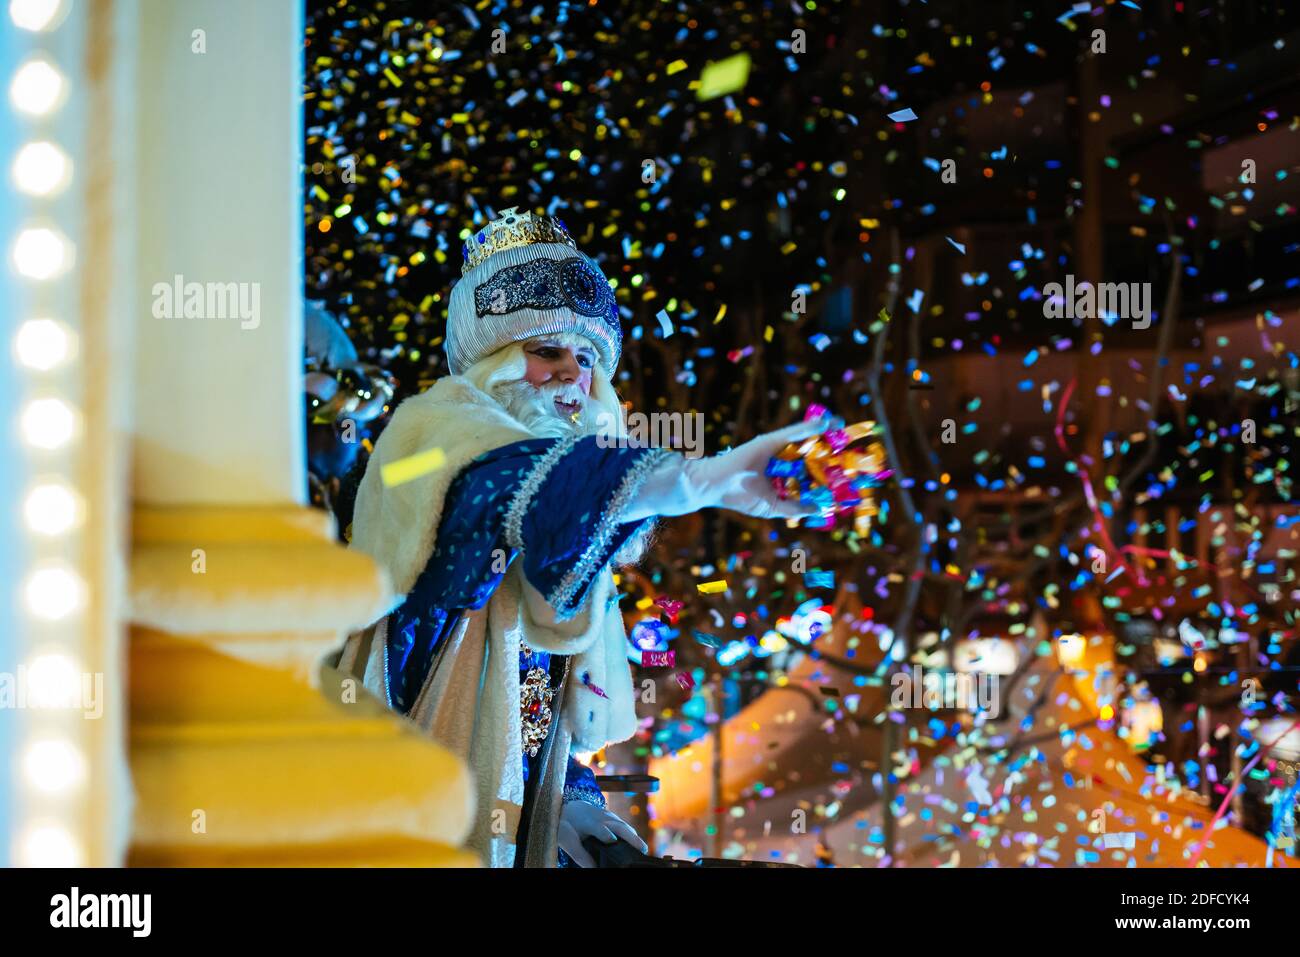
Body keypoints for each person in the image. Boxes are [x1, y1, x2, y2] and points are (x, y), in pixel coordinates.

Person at [335, 206, 822, 867]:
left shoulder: (576, 502)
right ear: (495, 360)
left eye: (587, 355)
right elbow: (502, 491)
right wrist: (695, 481)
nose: (572, 374)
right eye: (545, 350)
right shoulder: (428, 448)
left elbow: (538, 725)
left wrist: (573, 805)